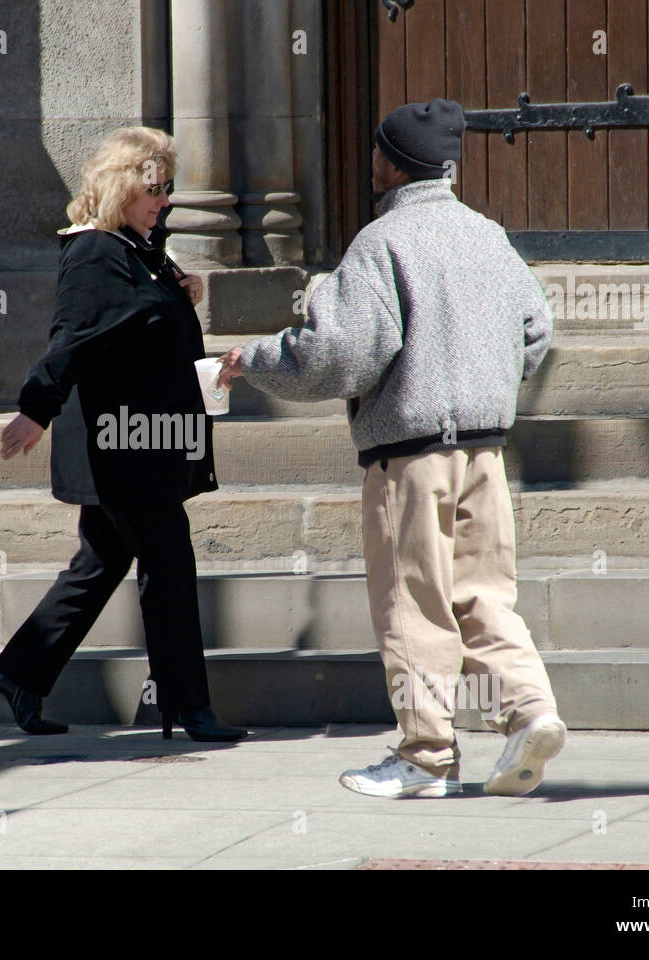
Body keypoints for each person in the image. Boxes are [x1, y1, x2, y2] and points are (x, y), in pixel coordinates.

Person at [220, 99, 566, 795]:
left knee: (414, 602)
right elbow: (537, 331)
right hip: (485, 449)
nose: (369, 162)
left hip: (410, 453)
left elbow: (338, 355)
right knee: (484, 597)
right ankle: (530, 713)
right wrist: (488, 381)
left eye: (376, 151)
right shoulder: (487, 235)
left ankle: (425, 756)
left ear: (390, 162)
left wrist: (253, 360)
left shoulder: (382, 242)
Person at [0, 126, 247, 742]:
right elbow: (73, 334)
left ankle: (22, 674)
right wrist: (35, 408)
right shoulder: (95, 251)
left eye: (168, 189)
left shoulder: (139, 250)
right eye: (154, 189)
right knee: (169, 564)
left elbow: (140, 329)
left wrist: (187, 306)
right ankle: (186, 707)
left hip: (146, 440)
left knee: (101, 561)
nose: (164, 201)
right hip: (123, 444)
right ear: (122, 187)